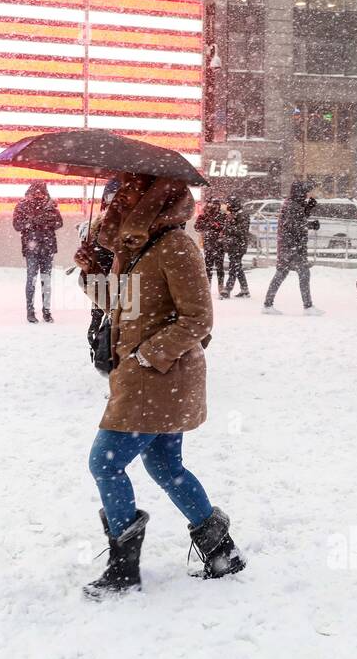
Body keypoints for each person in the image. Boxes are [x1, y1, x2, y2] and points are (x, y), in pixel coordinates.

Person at [73, 172, 246, 598]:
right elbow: (119, 306)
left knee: (106, 463)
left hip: (156, 378)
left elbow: (198, 319)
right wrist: (92, 272)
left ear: (153, 200)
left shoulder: (176, 246)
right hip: (148, 378)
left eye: (130, 194)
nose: (120, 202)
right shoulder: (141, 247)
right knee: (165, 466)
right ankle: (220, 550)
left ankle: (123, 569)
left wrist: (148, 356)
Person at [263, 181, 321, 314]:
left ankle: (267, 304)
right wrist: (311, 225)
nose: (306, 195)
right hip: (292, 246)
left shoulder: (293, 204)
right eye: (305, 193)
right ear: (299, 193)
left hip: (289, 246)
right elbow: (294, 225)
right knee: (304, 273)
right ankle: (308, 306)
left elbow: (297, 220)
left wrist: (307, 209)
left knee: (282, 273)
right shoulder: (292, 205)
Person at [11, 181, 63, 324]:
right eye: (36, 192)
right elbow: (17, 225)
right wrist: (33, 221)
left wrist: (44, 221)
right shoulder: (23, 205)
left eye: (41, 192)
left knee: (45, 281)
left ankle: (46, 311)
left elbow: (59, 222)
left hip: (46, 247)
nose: (38, 195)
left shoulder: (50, 206)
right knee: (32, 279)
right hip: (32, 248)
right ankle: (31, 311)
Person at [82, 179, 119, 355]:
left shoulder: (133, 228)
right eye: (110, 198)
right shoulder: (98, 227)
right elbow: (95, 280)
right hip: (104, 283)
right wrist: (87, 263)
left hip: (127, 286)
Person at [220, 195, 251, 299]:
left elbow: (242, 231)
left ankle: (227, 289)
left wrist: (228, 229)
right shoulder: (232, 214)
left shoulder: (242, 215)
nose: (227, 205)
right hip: (232, 245)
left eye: (229, 203)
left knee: (234, 266)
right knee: (237, 267)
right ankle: (245, 289)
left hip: (238, 245)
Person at [193, 197, 225, 294]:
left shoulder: (222, 215)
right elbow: (197, 227)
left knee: (220, 267)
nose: (214, 207)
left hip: (219, 244)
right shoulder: (204, 216)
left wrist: (216, 226)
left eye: (216, 204)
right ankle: (207, 286)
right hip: (208, 244)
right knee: (208, 267)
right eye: (213, 204)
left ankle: (221, 287)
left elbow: (225, 227)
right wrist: (206, 224)